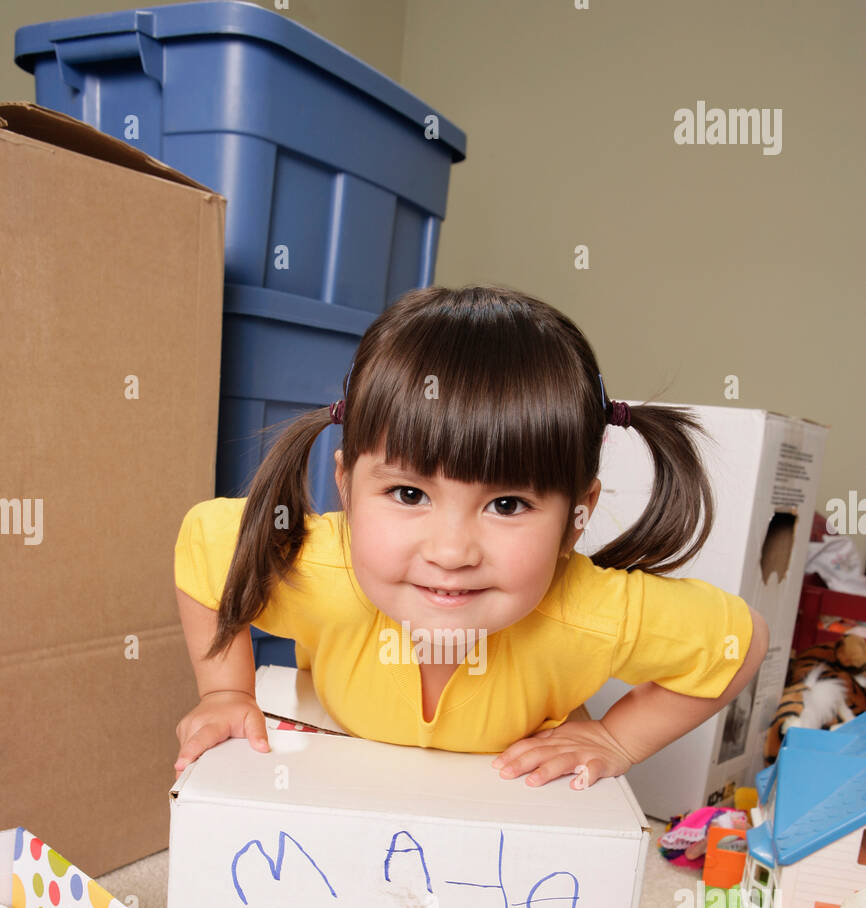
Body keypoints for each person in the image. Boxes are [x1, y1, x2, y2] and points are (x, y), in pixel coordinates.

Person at [174, 284, 768, 790]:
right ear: (348, 490)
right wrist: (225, 691)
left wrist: (617, 738)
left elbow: (738, 643)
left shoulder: (590, 613)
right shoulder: (320, 567)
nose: (451, 552)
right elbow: (206, 546)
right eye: (409, 495)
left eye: (507, 505)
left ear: (576, 516)